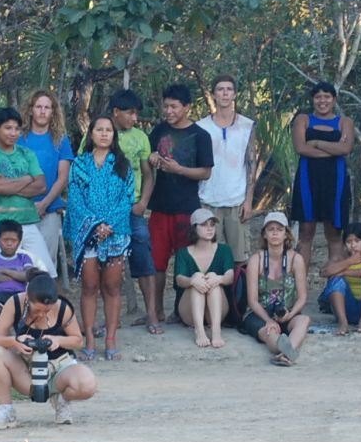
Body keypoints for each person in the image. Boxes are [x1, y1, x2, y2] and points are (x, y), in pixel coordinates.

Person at [0, 271, 98, 429]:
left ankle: (62, 400)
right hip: (27, 372)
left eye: (47, 311)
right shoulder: (15, 303)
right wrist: (15, 341)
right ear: (27, 298)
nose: (41, 314)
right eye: (37, 310)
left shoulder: (62, 308)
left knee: (88, 384)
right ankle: (5, 409)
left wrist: (58, 340)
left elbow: (78, 341)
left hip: (59, 369)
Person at [66, 114, 135, 360]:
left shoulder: (122, 164)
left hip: (115, 234)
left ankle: (111, 339)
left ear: (114, 135)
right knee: (89, 286)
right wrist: (95, 226)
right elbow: (75, 199)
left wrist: (109, 226)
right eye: (99, 129)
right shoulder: (80, 164)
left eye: (109, 130)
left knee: (112, 287)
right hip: (88, 235)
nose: (104, 134)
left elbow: (127, 198)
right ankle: (89, 340)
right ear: (91, 134)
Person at [147, 83, 214, 324]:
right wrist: (151, 157)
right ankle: (155, 311)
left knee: (185, 262)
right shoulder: (158, 130)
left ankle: (181, 311)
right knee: (156, 262)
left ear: (187, 107)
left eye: (174, 107)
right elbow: (147, 157)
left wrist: (179, 169)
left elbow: (206, 172)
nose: (169, 111)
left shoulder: (201, 135)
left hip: (187, 208)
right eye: (166, 106)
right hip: (159, 206)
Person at [109, 89, 162, 333]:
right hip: (107, 211)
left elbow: (148, 174)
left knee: (144, 262)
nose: (134, 118)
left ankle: (151, 315)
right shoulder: (100, 132)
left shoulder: (140, 137)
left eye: (136, 113)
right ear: (115, 112)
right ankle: (113, 319)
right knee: (109, 265)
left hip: (133, 209)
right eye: (129, 113)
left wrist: (143, 203)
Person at [289, 81, 356, 274]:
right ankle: (299, 283)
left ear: (334, 99)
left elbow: (346, 149)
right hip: (308, 180)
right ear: (313, 99)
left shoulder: (344, 122)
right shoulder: (303, 119)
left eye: (327, 96)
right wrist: (334, 150)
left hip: (336, 181)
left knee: (334, 234)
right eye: (318, 97)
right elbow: (301, 148)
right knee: (305, 233)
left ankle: (334, 284)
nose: (322, 101)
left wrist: (316, 142)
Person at [196, 75, 261, 271]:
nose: (225, 93)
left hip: (237, 202)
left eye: (229, 89)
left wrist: (249, 200)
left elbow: (251, 163)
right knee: (210, 258)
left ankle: (238, 292)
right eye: (220, 89)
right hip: (208, 200)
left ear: (235, 94)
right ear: (213, 94)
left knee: (239, 259)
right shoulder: (201, 127)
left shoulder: (246, 125)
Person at [0, 107, 53, 269]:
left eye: (17, 129)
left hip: (29, 222)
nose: (13, 133)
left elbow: (41, 186)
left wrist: (7, 185)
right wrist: (27, 178)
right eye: (8, 128)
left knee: (43, 273)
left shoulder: (27, 153)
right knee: (1, 274)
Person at [240, 211, 310, 366]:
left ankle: (285, 354)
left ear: (286, 234)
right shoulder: (256, 260)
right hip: (260, 314)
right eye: (270, 229)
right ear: (264, 234)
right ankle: (286, 351)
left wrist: (291, 313)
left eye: (279, 229)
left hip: (287, 312)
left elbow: (302, 297)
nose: (275, 233)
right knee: (270, 333)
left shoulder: (296, 259)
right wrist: (268, 320)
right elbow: (252, 300)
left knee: (304, 320)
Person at [20, 89, 75, 270]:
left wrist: (44, 204)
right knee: (20, 264)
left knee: (45, 265)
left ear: (53, 112)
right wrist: (29, 205)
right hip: (21, 210)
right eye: (38, 107)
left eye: (47, 107)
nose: (43, 111)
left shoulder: (60, 140)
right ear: (31, 110)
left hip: (50, 211)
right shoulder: (19, 138)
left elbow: (63, 177)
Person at [174, 208, 236, 349]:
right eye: (203, 225)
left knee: (213, 279)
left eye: (212, 225)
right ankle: (199, 331)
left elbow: (230, 276)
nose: (209, 228)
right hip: (189, 311)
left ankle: (216, 330)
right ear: (194, 228)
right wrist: (192, 281)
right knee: (197, 278)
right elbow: (179, 280)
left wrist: (218, 279)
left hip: (217, 308)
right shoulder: (183, 253)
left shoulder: (224, 250)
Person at [318, 221, 361, 334]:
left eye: (357, 241)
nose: (353, 245)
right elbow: (323, 272)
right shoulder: (341, 256)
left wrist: (344, 272)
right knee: (335, 280)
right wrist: (349, 261)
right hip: (348, 312)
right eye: (349, 242)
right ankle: (343, 323)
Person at [0, 219, 36, 321]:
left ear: (19, 242)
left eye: (14, 240)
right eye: (5, 240)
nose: (9, 244)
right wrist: (18, 276)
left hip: (20, 294)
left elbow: (28, 275)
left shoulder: (24, 258)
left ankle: (22, 332)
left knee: (27, 309)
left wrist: (4, 271)